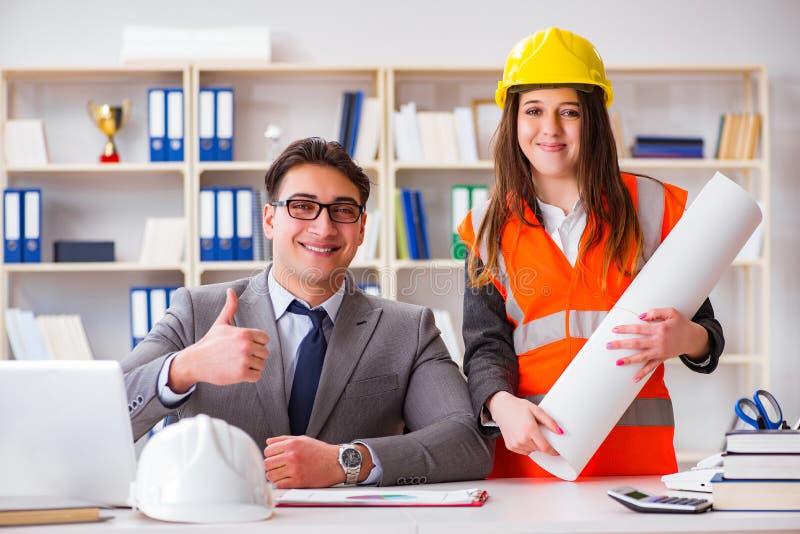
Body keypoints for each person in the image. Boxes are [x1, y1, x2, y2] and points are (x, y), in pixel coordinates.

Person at [123, 137, 492, 488]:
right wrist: (183, 368)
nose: (323, 227)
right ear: (269, 220)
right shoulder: (197, 311)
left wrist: (346, 462)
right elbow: (104, 413)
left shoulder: (407, 330)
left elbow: (467, 441)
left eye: (343, 211)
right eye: (302, 207)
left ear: (362, 229)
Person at [458, 27, 725, 478]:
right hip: (530, 467)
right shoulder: (486, 228)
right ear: (513, 121)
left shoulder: (655, 208)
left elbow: (706, 331)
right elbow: (485, 345)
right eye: (534, 111)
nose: (551, 129)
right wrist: (500, 404)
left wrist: (685, 339)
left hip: (638, 471)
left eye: (569, 112)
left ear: (594, 119)